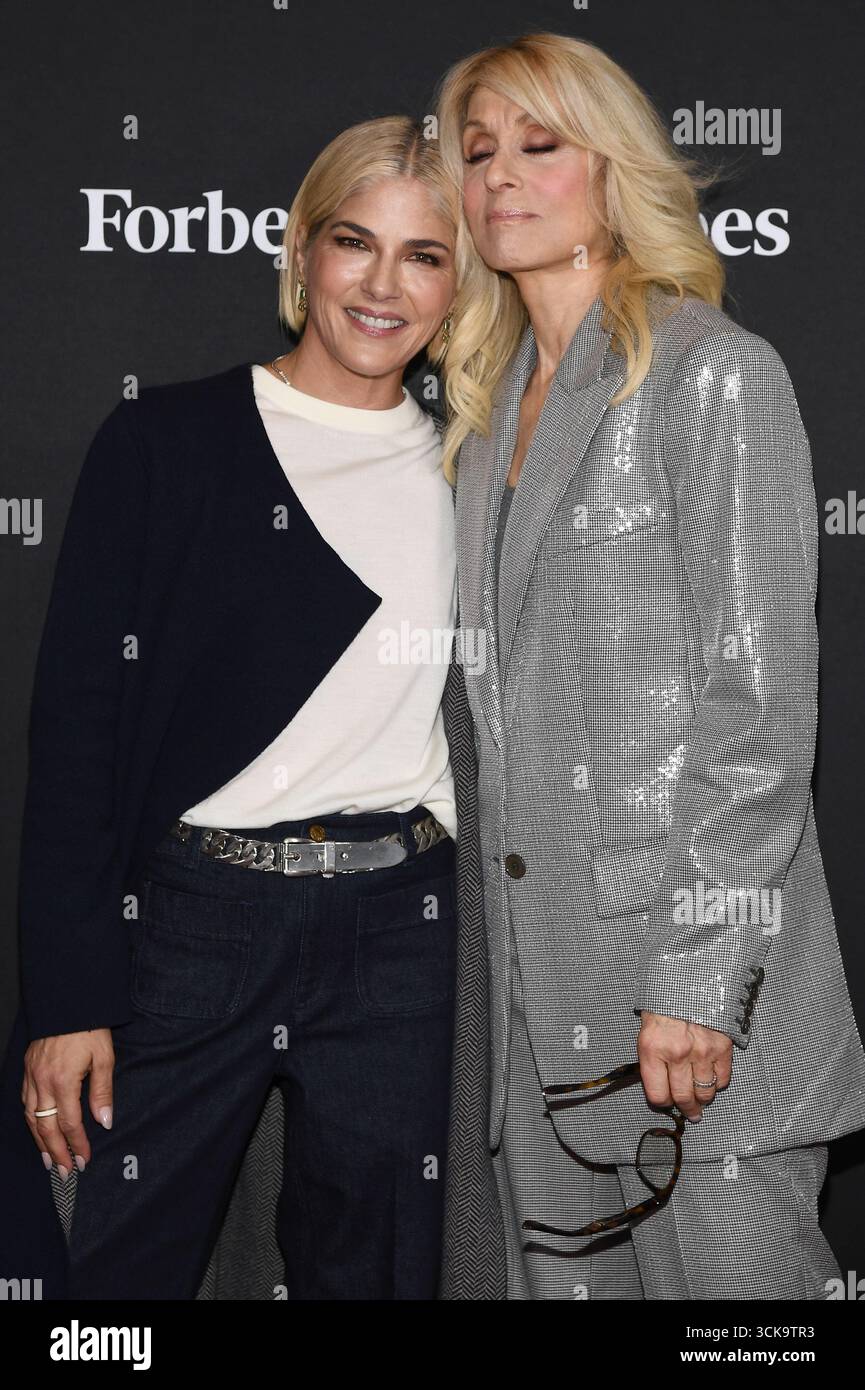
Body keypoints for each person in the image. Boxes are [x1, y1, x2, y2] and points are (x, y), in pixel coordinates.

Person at [0, 114, 476, 1300]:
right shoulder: (166, 441)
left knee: (376, 1277)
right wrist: (67, 998)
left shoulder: (477, 469)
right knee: (106, 1281)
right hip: (193, 923)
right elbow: (74, 737)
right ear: (300, 253)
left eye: (423, 255)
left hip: (401, 932)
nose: (380, 285)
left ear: (461, 283)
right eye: (353, 242)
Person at [433, 32, 865, 1299]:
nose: (500, 177)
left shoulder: (712, 375)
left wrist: (697, 974)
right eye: (476, 152)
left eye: (539, 144)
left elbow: (762, 715)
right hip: (533, 1016)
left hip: (688, 1014)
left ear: (610, 167)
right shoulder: (476, 413)